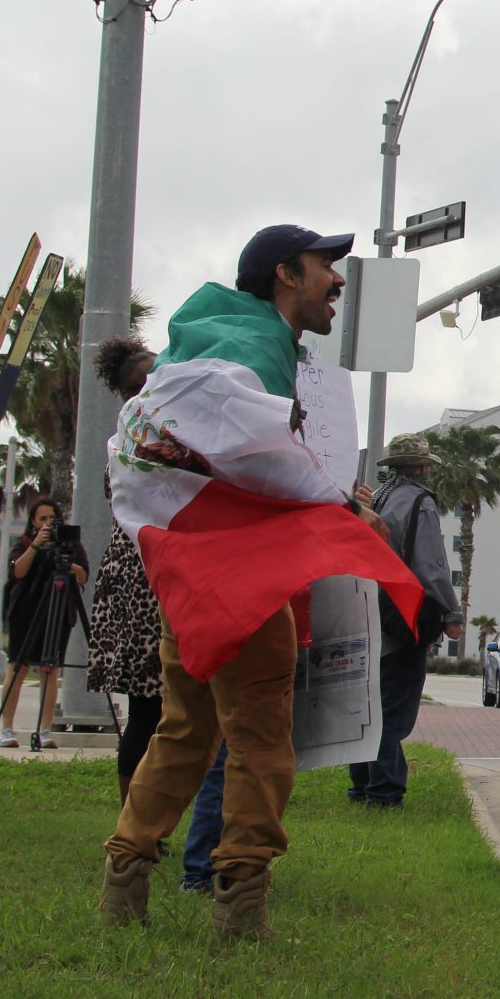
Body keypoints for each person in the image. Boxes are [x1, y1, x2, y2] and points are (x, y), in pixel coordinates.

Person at [98, 224, 416, 939]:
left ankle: (124, 883)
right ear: (284, 274)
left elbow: (237, 449)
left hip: (198, 582)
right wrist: (341, 512)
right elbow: (259, 452)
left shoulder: (218, 339)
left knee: (184, 731)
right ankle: (241, 907)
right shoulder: (245, 349)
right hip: (237, 583)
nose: (338, 281)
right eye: (324, 268)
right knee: (263, 738)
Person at [349, 433, 464, 809]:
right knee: (392, 711)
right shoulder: (421, 502)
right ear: (423, 467)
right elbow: (431, 566)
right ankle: (385, 792)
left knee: (368, 707)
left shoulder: (375, 499)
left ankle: (361, 786)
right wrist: (451, 613)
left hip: (367, 612)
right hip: (402, 616)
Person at [85, 336, 163, 799]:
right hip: (142, 579)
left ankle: (144, 821)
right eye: (147, 378)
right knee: (149, 707)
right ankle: (136, 821)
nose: (158, 382)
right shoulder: (134, 435)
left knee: (160, 709)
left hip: (148, 573)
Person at [0, 496, 90, 749]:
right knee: (18, 668)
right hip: (26, 611)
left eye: (52, 519)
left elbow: (83, 575)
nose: (48, 524)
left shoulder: (71, 544)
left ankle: (45, 730)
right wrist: (36, 546)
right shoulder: (25, 543)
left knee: (50, 669)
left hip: (59, 613)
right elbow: (18, 571)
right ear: (33, 522)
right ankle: (6, 729)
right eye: (42, 519)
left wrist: (67, 561)